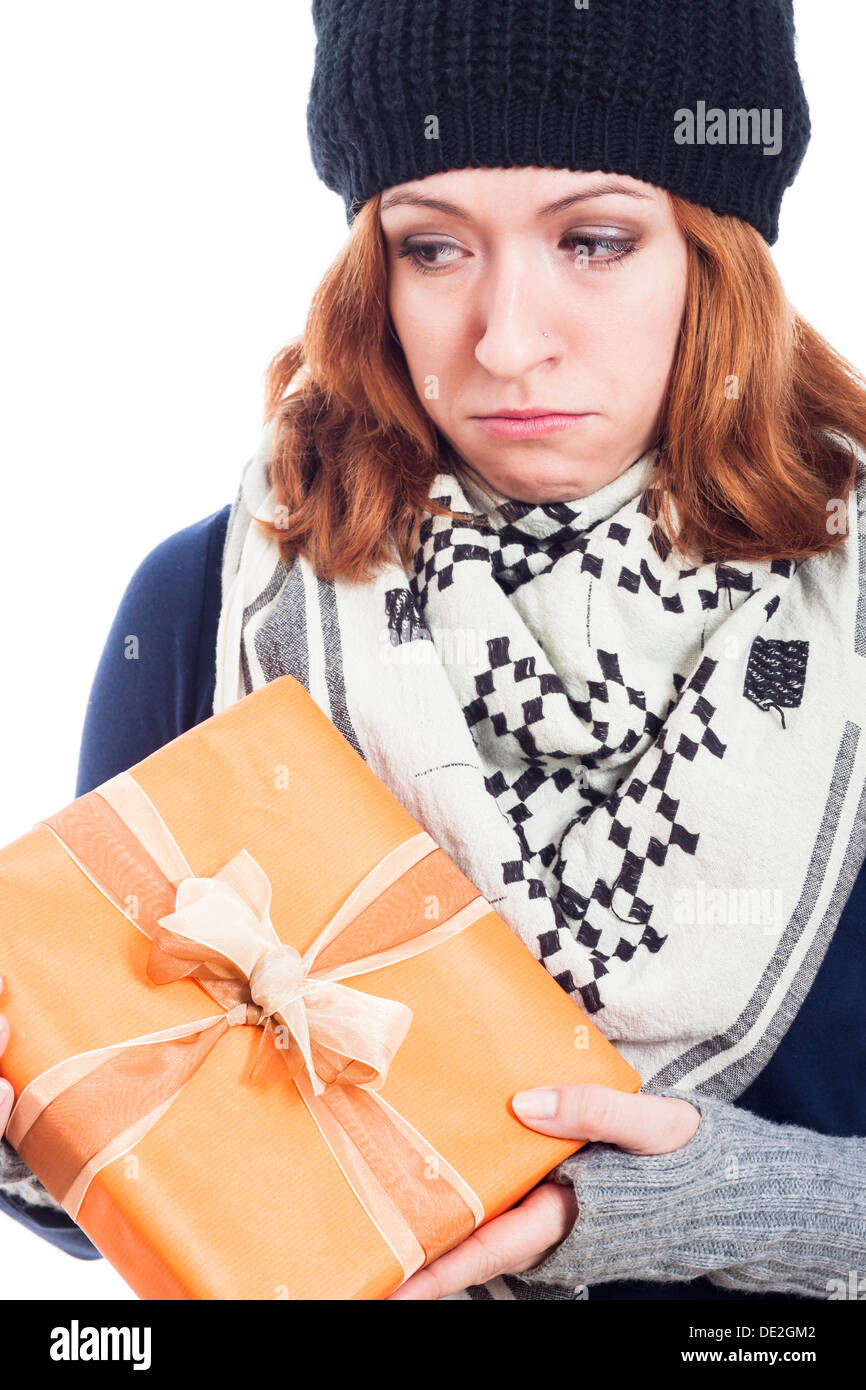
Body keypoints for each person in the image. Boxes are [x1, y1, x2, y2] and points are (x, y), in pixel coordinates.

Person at [2, 0, 866, 1302]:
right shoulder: (207, 594)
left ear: (714, 245)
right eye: (433, 247)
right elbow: (124, 1167)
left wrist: (713, 1203)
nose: (507, 340)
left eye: (592, 239)